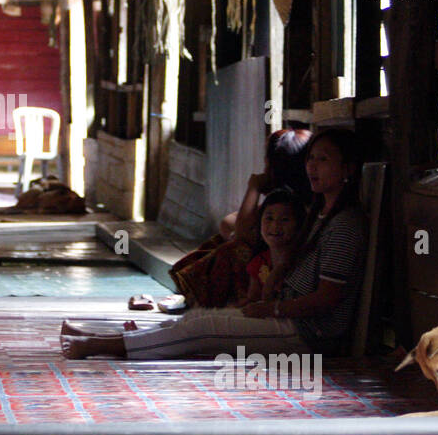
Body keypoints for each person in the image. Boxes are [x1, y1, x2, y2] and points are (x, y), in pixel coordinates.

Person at [63, 128, 366, 360]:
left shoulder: (344, 225)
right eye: (311, 158)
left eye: (323, 159)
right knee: (199, 318)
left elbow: (328, 298)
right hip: (289, 316)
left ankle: (97, 345)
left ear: (348, 169)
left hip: (309, 333)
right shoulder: (320, 214)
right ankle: (105, 338)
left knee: (201, 330)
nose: (312, 166)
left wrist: (274, 309)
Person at [164, 127, 312, 308]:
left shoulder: (296, 203)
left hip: (283, 270)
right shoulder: (281, 196)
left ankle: (219, 303)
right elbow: (229, 223)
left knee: (234, 249)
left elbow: (241, 233)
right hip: (267, 260)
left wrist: (254, 187)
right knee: (223, 240)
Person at [240, 188, 305, 308]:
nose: (275, 226)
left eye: (285, 220)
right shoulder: (259, 262)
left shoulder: (303, 262)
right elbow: (253, 298)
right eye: (269, 218)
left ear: (299, 224)